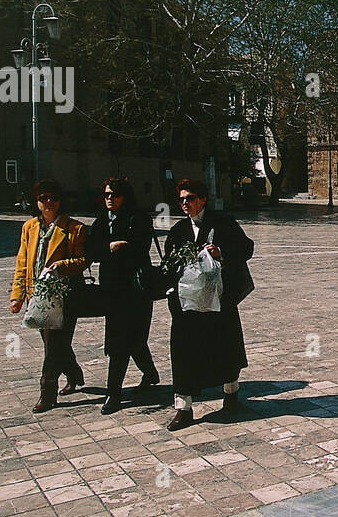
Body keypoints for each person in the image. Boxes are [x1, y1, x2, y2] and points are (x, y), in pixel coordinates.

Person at [164, 179, 252, 431]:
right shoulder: (178, 230)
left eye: (189, 198)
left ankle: (231, 394)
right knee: (183, 352)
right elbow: (168, 264)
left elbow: (246, 248)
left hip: (218, 300)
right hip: (187, 303)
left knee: (225, 348)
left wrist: (221, 252)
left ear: (202, 199)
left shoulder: (222, 223)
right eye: (181, 199)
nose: (185, 204)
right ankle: (183, 407)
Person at [10, 178, 87, 413]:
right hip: (38, 296)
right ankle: (74, 373)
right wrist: (18, 295)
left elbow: (83, 260)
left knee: (53, 346)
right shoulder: (30, 227)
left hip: (65, 296)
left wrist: (61, 266)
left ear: (60, 201)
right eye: (44, 198)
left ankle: (47, 392)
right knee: (54, 343)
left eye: (53, 198)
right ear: (37, 202)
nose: (49, 202)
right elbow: (22, 262)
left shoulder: (74, 228)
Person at [85, 176, 160, 415]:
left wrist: (120, 248)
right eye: (106, 194)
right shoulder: (100, 221)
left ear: (124, 196)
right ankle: (136, 381)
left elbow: (140, 248)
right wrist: (109, 247)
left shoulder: (138, 219)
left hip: (136, 289)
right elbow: (91, 250)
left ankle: (118, 390)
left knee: (129, 340)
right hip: (112, 290)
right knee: (123, 341)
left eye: (114, 195)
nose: (109, 199)